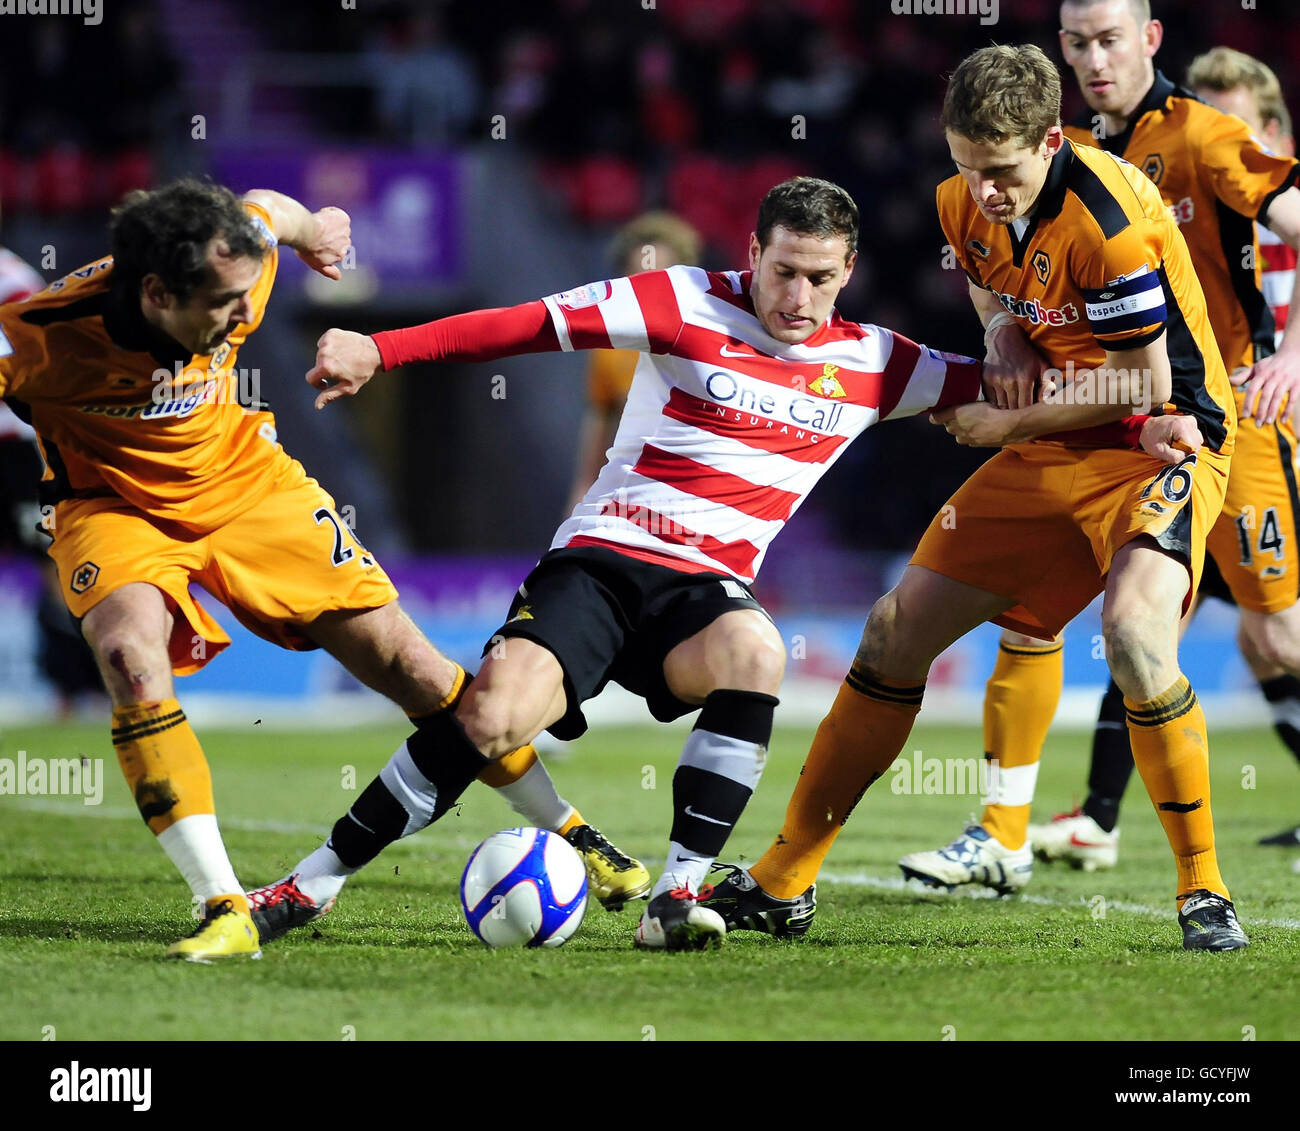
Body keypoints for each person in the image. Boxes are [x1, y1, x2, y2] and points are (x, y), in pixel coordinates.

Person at [268, 175, 987, 950]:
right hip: (602, 566)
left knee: (758, 650)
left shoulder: (879, 362)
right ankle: (313, 881)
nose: (799, 296)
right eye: (784, 271)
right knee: (490, 718)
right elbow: (527, 324)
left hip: (703, 600)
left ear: (848, 272)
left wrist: (1125, 392)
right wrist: (381, 346)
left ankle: (675, 896)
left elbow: (1006, 383)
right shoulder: (680, 300)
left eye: (820, 277)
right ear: (753, 252)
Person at [0, 178, 643, 962]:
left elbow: (274, 206)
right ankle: (224, 907)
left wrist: (323, 229)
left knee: (409, 663)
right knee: (132, 657)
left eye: (247, 293)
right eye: (223, 302)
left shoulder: (246, 248)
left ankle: (578, 833)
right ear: (157, 292)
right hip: (111, 506)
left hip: (244, 483)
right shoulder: (36, 338)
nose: (245, 315)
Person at [706, 43, 1248, 951]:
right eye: (965, 166)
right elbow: (987, 281)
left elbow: (1141, 381)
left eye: (1000, 171)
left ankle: (1204, 892)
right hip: (1059, 439)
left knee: (1134, 635)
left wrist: (1004, 427)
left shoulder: (1105, 220)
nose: (983, 191)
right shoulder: (961, 197)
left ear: (1049, 138)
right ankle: (784, 878)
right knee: (892, 630)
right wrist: (999, 331)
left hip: (1164, 442)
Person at [897, 4, 1300, 887]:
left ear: (1151, 38)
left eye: (1109, 38)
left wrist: (1293, 351)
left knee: (1273, 639)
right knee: (1067, 618)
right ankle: (1038, 826)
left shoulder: (1203, 132)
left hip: (1221, 412)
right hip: (1112, 416)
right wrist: (1004, 328)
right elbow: (1004, 275)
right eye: (1075, 41)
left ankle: (1127, 838)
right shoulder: (1046, 149)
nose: (1091, 57)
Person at [565, 212, 701, 510]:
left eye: (660, 278)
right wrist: (583, 490)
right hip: (630, 491)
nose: (649, 292)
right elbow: (600, 420)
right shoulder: (610, 349)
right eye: (638, 280)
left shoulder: (708, 342)